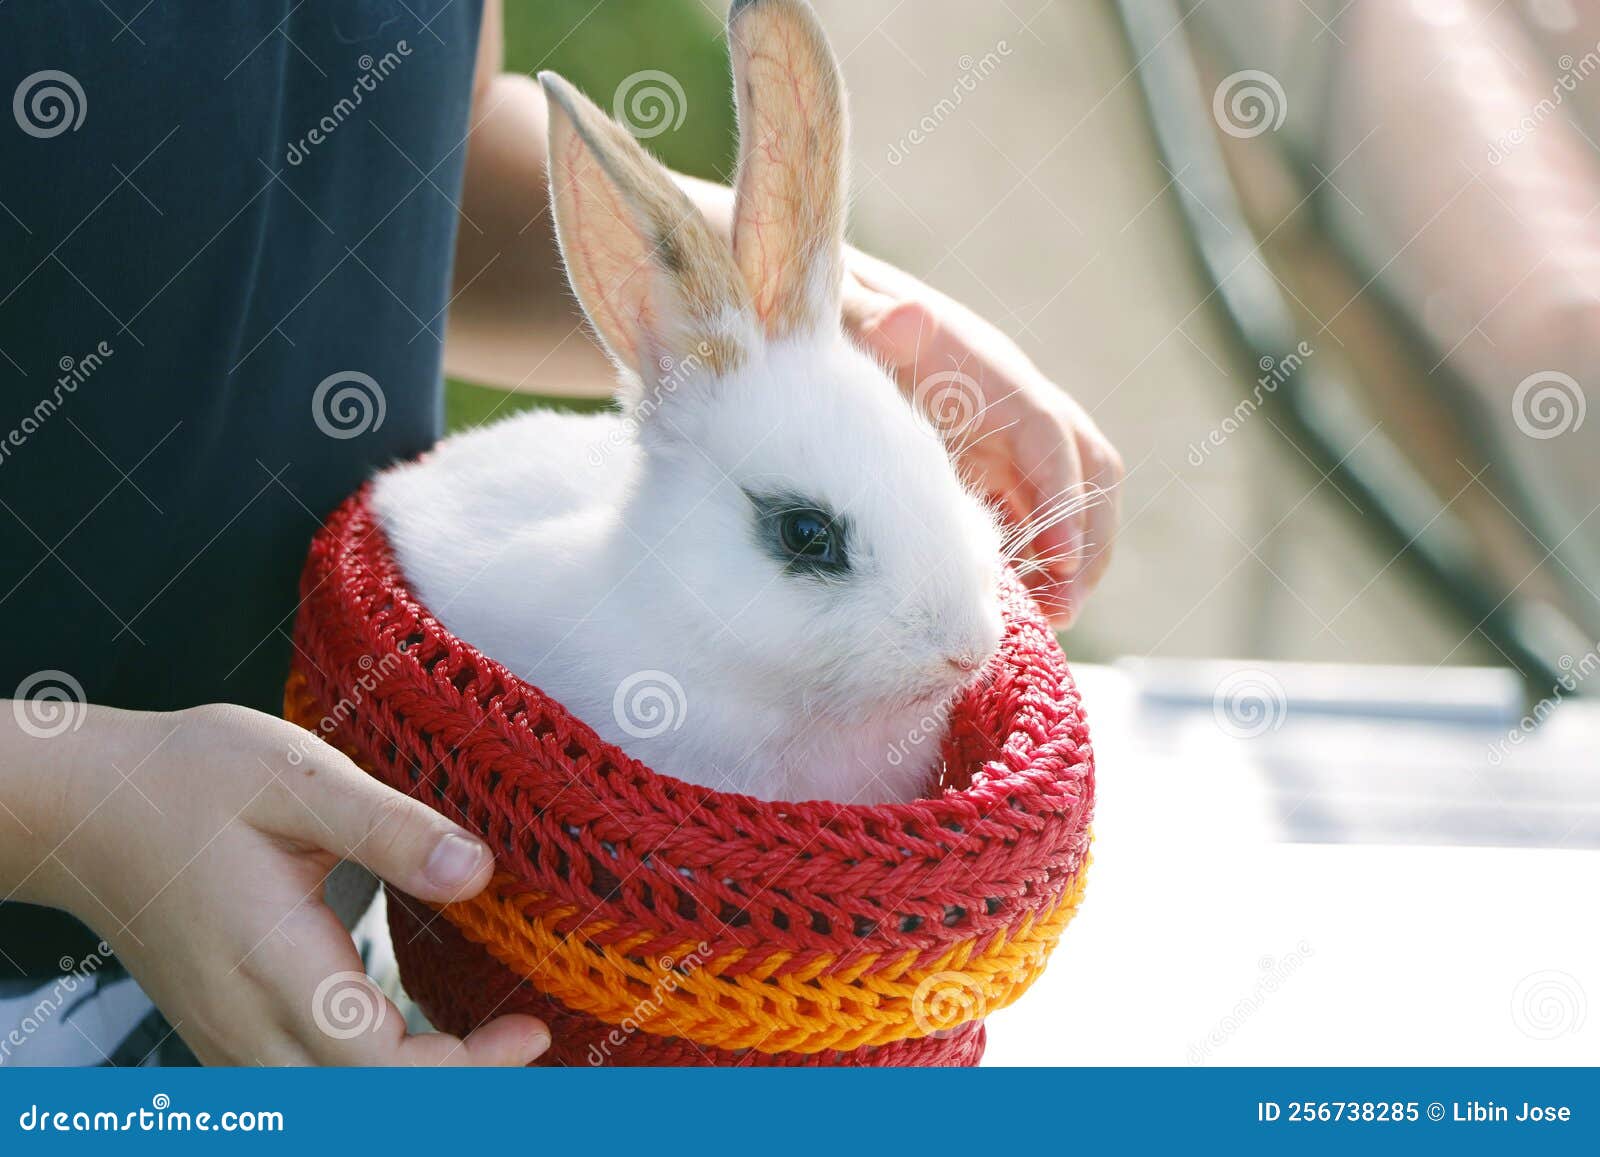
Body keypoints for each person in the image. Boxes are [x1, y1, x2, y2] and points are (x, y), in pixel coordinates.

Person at [0, 0, 1121, 1065]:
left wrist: (830, 328)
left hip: (328, 931)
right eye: (808, 541)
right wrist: (80, 804)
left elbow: (413, 157)